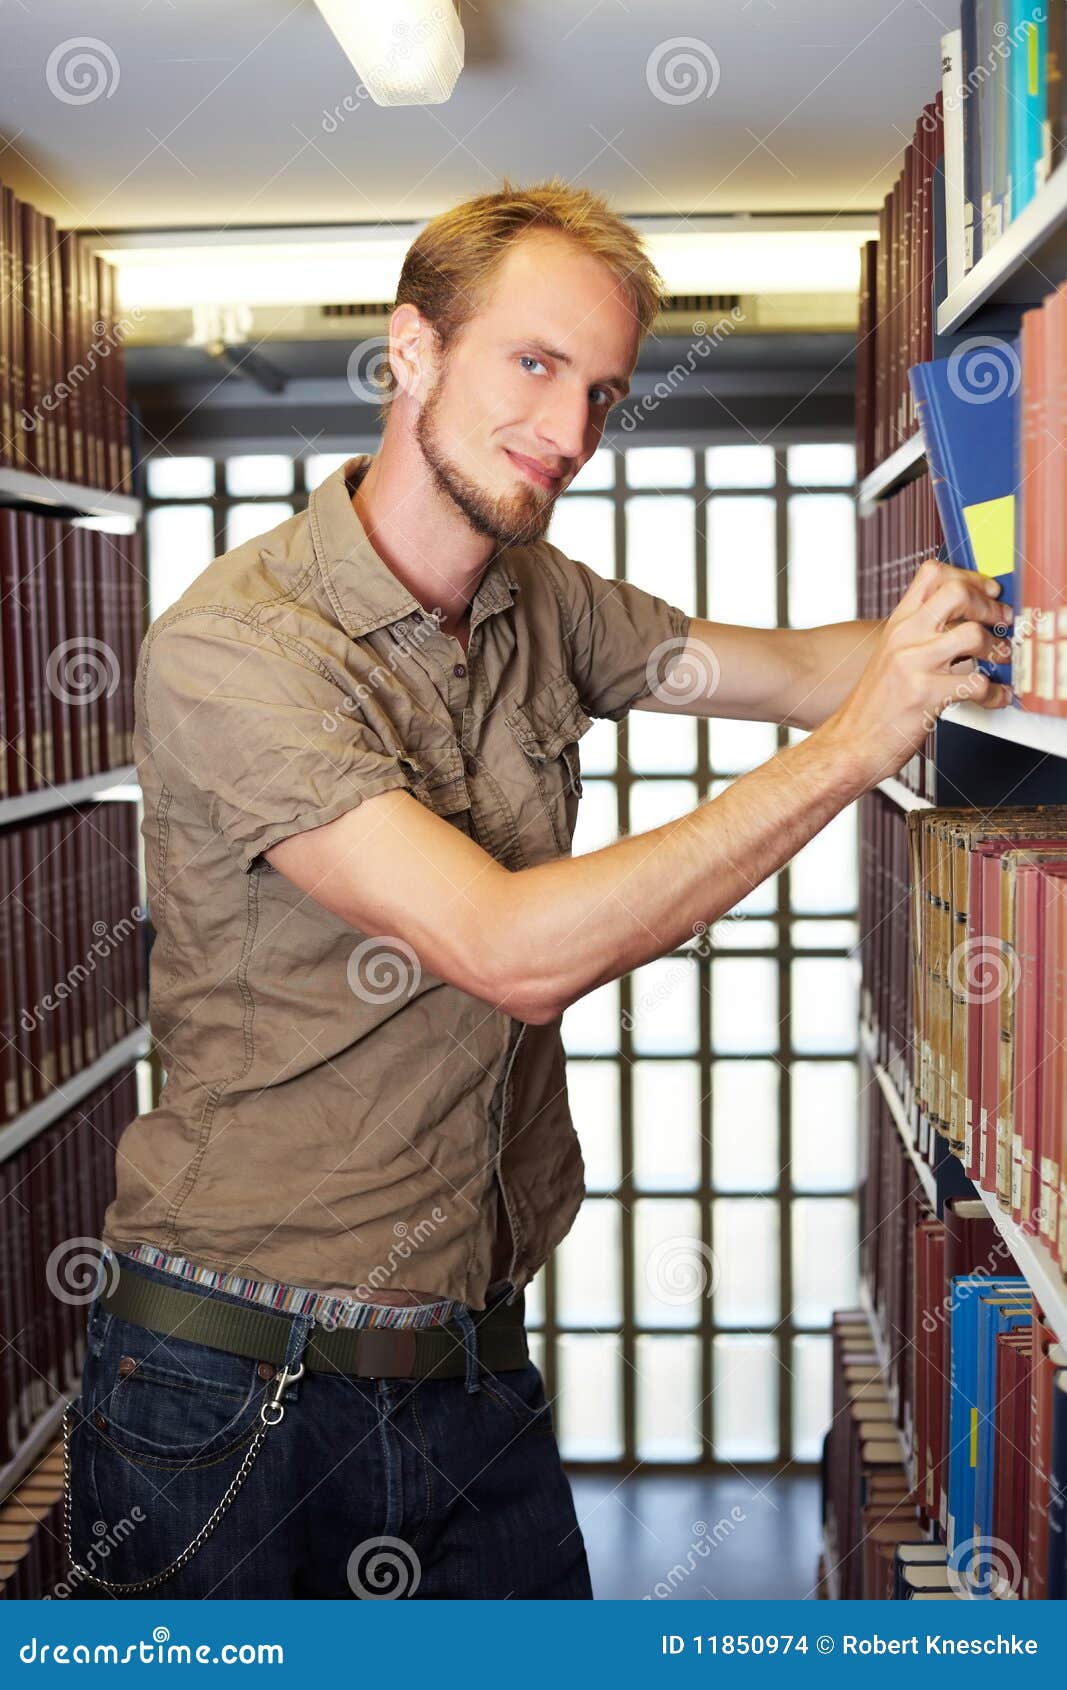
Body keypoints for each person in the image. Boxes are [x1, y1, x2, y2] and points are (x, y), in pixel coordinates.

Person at [65, 176, 1013, 1600]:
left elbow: (797, 668)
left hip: (471, 1363)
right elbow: (506, 948)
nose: (572, 433)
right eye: (535, 363)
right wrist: (848, 757)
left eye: (606, 392)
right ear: (412, 350)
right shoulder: (238, 650)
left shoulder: (542, 599)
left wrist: (1002, 612)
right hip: (230, 1392)